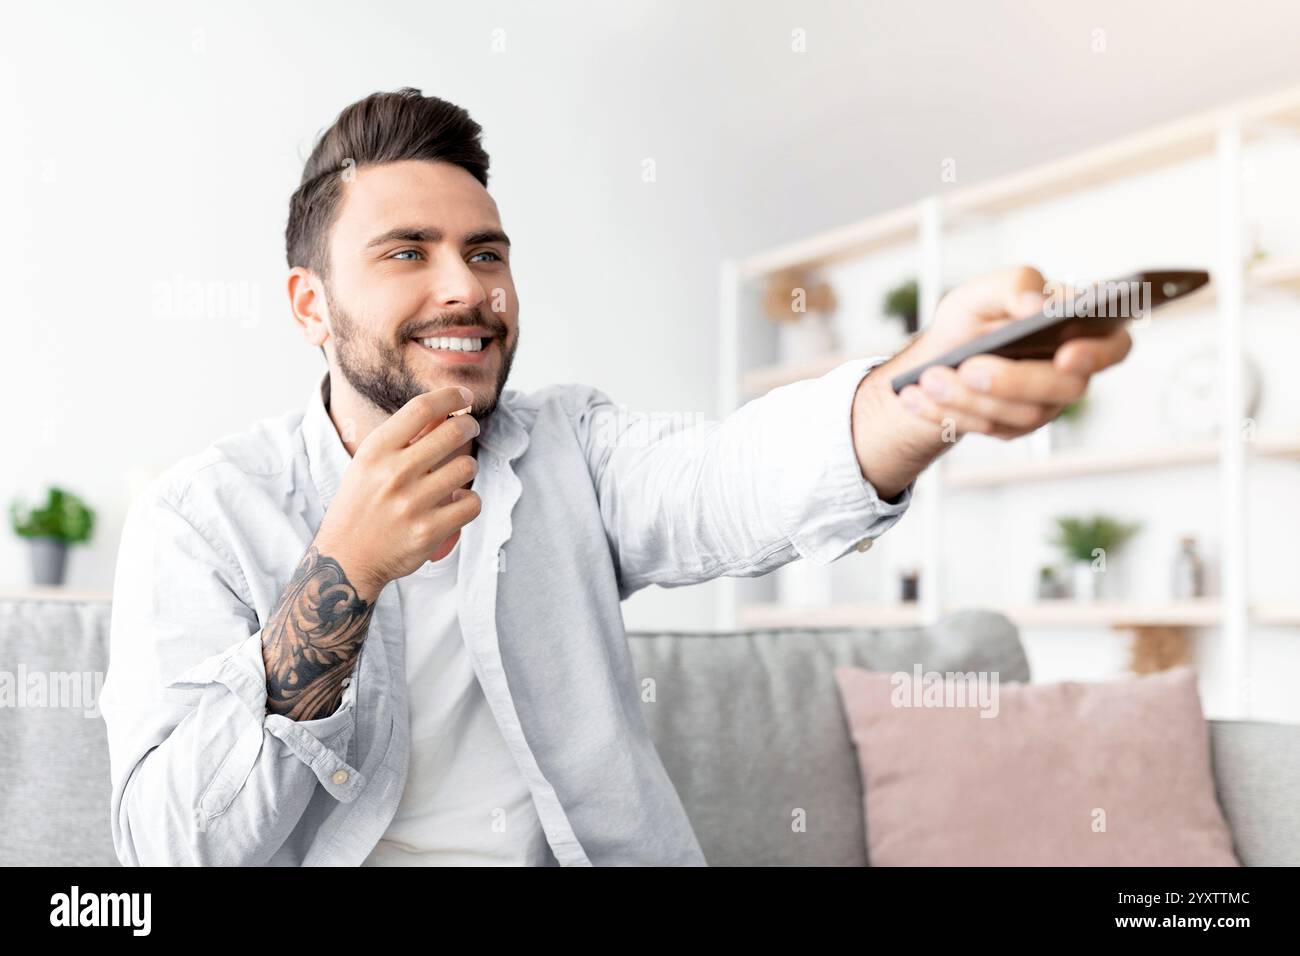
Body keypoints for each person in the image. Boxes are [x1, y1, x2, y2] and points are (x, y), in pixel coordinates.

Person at [99, 88, 1130, 866]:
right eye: (407, 252)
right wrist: (344, 570)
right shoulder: (200, 517)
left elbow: (734, 480)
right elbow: (168, 845)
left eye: (485, 252)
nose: (467, 286)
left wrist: (922, 390)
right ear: (309, 305)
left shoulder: (571, 448)